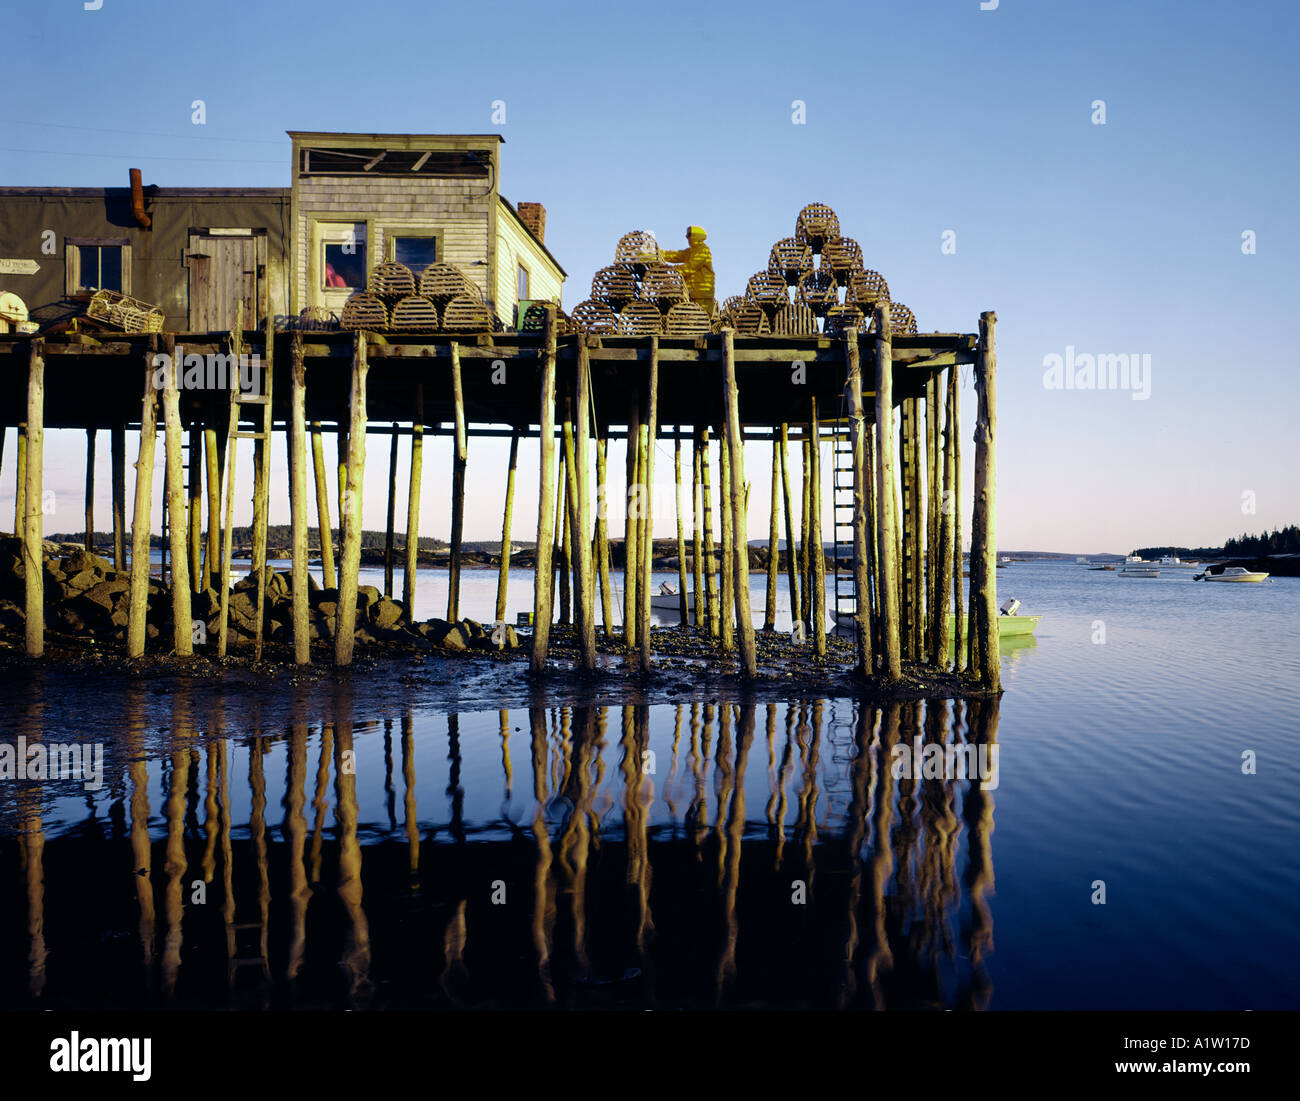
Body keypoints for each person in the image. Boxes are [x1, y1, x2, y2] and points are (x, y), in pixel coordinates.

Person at [661, 226, 715, 312]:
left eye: (689, 234)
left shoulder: (703, 250)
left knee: (701, 320)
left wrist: (672, 270)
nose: (687, 237)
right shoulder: (689, 252)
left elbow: (691, 267)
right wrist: (659, 253)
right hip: (691, 293)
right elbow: (675, 255)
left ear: (696, 235)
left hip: (702, 295)